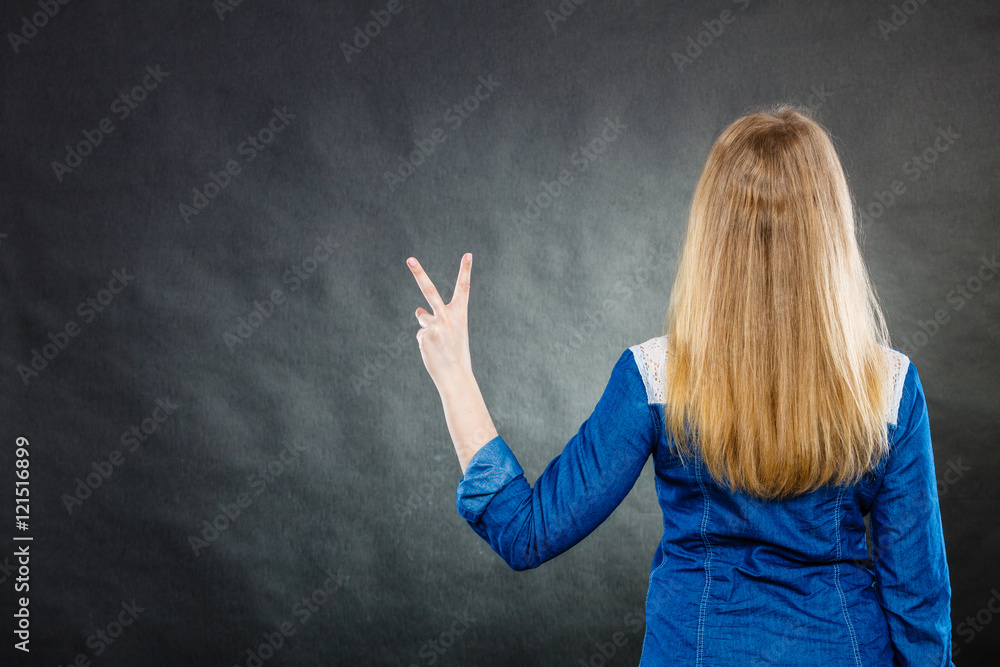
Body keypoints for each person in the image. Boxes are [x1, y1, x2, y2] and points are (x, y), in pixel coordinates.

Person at [404, 104, 953, 665]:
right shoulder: (888, 386)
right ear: (831, 230)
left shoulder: (654, 376)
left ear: (712, 232)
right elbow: (918, 607)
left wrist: (455, 377)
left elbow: (526, 532)